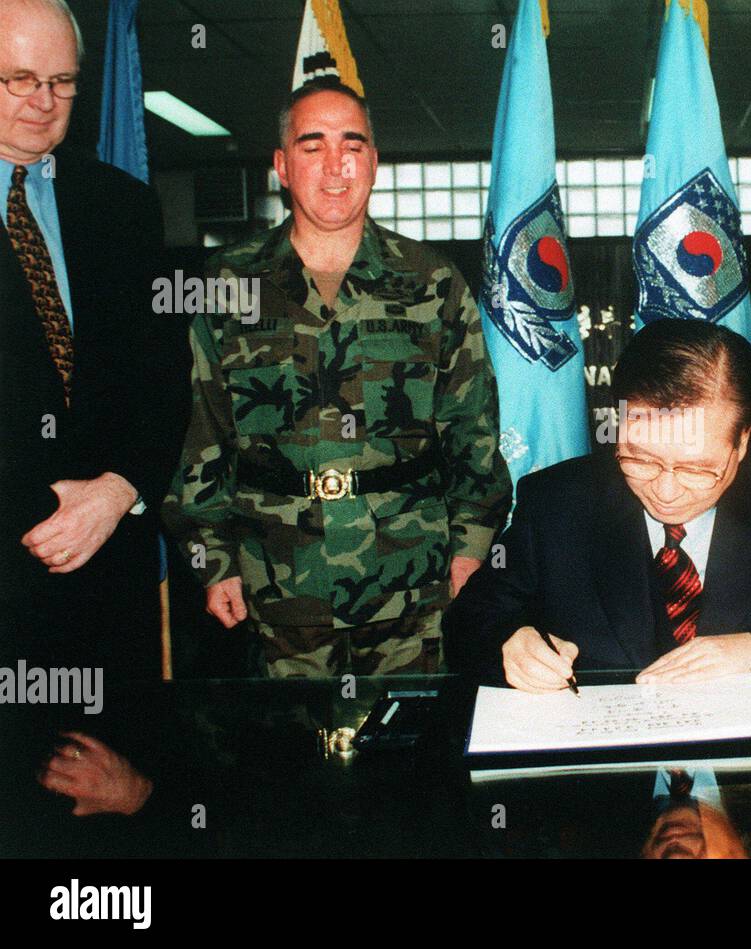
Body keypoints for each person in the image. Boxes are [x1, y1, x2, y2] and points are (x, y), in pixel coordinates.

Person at [163, 80, 512, 677]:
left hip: (411, 582)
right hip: (275, 585)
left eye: (352, 146)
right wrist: (212, 560)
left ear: (373, 161)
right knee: (287, 761)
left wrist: (470, 548)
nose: (335, 167)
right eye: (311, 146)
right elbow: (203, 435)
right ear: (280, 166)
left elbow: (472, 432)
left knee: (412, 755)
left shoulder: (432, 281)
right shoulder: (227, 282)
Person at [445, 318, 751, 691]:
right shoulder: (558, 504)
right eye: (640, 459)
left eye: (698, 468)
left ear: (743, 442)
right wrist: (510, 642)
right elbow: (469, 621)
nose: (666, 489)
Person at [0, 0, 185, 676]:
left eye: (63, 80)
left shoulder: (123, 207)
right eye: (20, 78)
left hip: (112, 590)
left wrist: (118, 489)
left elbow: (165, 381)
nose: (45, 102)